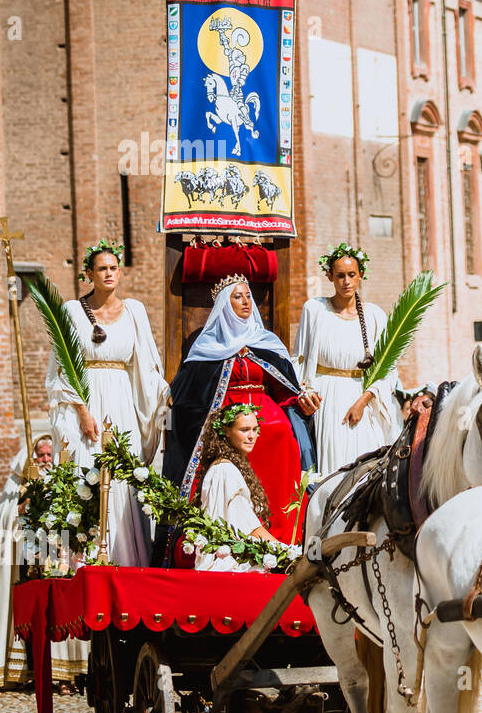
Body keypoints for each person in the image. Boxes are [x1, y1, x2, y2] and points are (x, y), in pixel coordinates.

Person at [164, 275, 316, 552]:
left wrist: (300, 399)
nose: (246, 302)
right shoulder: (207, 347)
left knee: (281, 433)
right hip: (227, 418)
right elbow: (188, 396)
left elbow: (285, 388)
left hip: (266, 416)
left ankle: (284, 538)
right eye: (237, 297)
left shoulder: (265, 341)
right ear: (224, 305)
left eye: (248, 296)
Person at [47, 240, 169, 567]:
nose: (109, 273)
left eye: (114, 268)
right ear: (89, 274)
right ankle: (85, 562)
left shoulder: (135, 311)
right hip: (85, 404)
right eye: (102, 268)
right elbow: (63, 365)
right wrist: (82, 411)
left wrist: (165, 395)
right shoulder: (72, 311)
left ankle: (125, 561)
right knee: (88, 475)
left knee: (121, 479)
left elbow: (146, 364)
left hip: (122, 403)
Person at [0, 436, 86, 694]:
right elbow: (5, 517)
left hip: (58, 562)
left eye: (50, 455)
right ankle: (26, 671)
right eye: (41, 456)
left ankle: (65, 676)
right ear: (32, 458)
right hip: (25, 563)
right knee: (29, 616)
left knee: (59, 613)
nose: (46, 460)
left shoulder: (64, 482)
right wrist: (25, 507)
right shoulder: (19, 483)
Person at [293, 244, 401, 478]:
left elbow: (388, 369)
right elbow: (298, 360)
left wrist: (363, 401)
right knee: (334, 468)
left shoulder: (374, 315)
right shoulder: (315, 309)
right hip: (326, 398)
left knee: (368, 464)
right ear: (330, 276)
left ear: (361, 275)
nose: (346, 281)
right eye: (340, 275)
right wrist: (306, 393)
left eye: (351, 275)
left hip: (362, 397)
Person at [192, 404, 280, 572]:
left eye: (255, 429)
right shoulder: (225, 471)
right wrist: (288, 553)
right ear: (226, 430)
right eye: (244, 430)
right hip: (228, 563)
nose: (251, 436)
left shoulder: (230, 466)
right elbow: (249, 528)